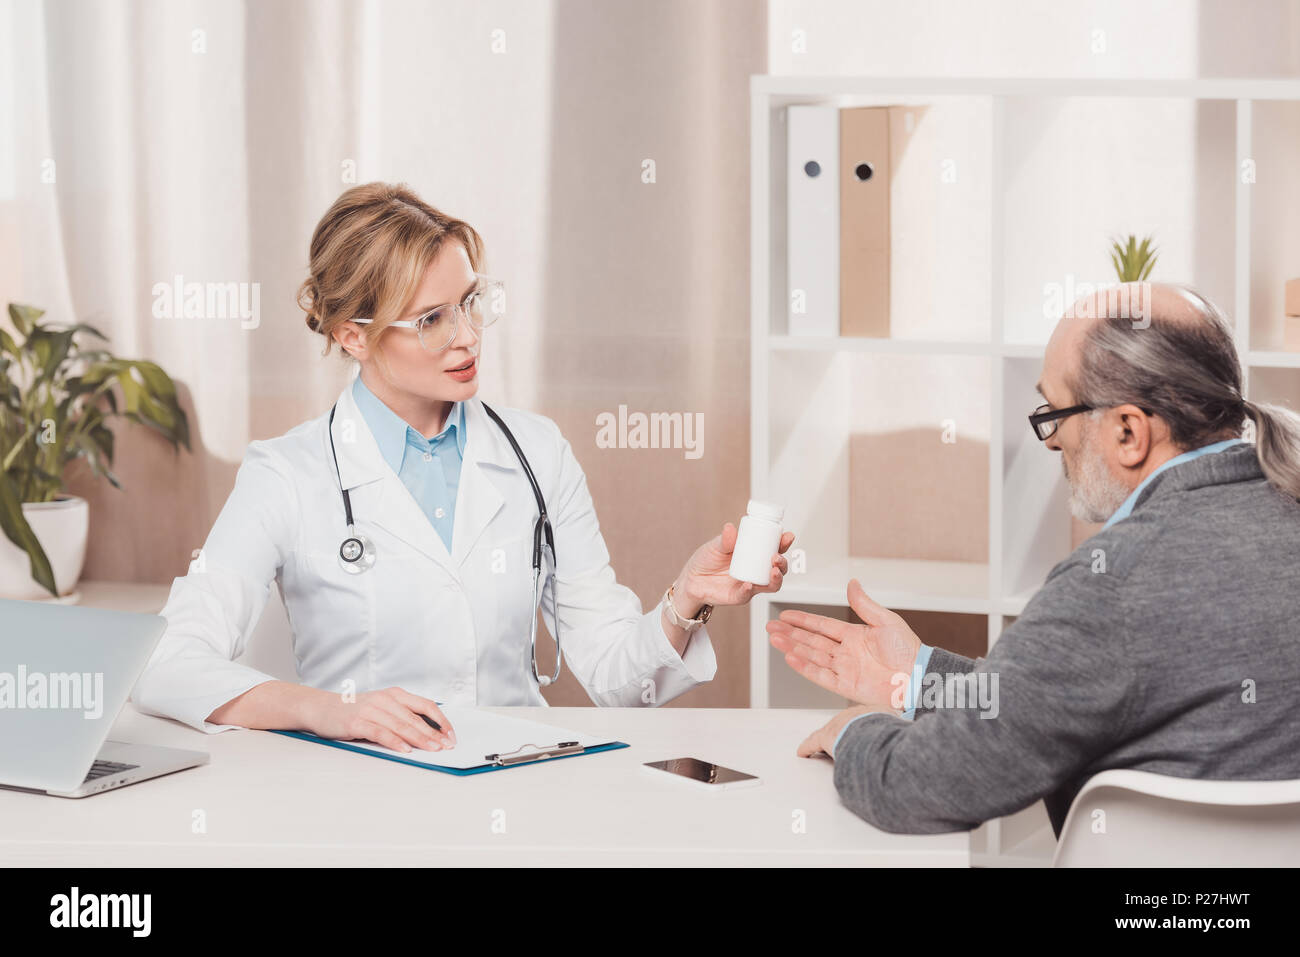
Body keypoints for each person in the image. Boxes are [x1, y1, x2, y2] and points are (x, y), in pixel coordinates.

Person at [133, 182, 793, 754]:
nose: (468, 336)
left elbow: (618, 678)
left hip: (518, 783)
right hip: (359, 798)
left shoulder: (537, 452)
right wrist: (327, 711)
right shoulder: (285, 473)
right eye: (431, 319)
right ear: (352, 334)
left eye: (471, 303)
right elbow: (166, 662)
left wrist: (687, 600)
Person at [770, 282, 1300, 836]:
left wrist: (855, 731)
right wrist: (915, 675)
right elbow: (1071, 691)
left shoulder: (1111, 583)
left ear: (1128, 432)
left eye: (1058, 411)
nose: (1051, 441)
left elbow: (920, 786)